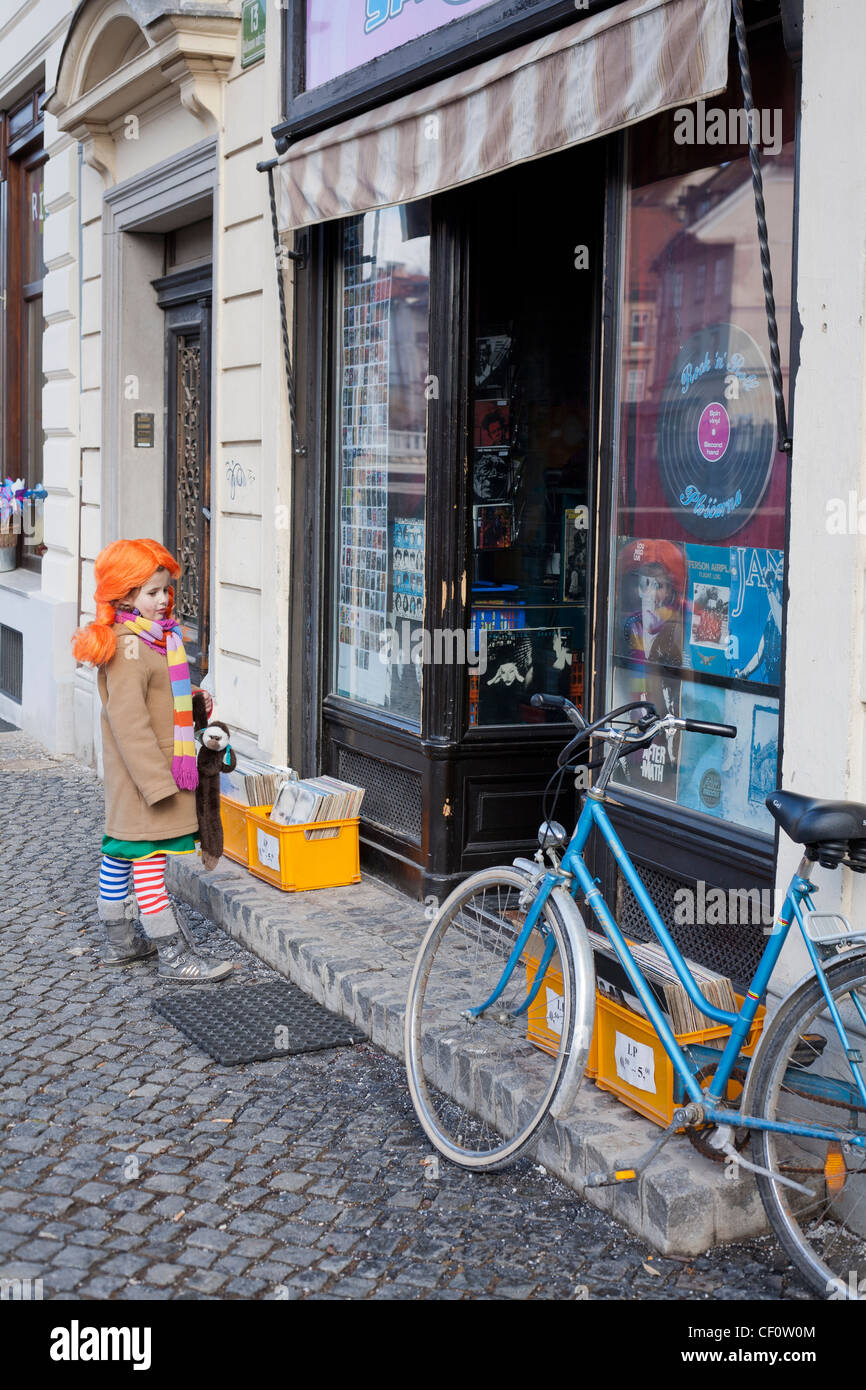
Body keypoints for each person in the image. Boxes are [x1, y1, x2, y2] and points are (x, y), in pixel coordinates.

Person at [71, 538, 233, 983]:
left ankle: (121, 941)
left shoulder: (154, 640)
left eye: (165, 590)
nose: (163, 600)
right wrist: (158, 786)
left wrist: (193, 703)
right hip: (148, 779)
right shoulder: (130, 647)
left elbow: (159, 702)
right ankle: (175, 957)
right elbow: (129, 724)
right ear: (124, 595)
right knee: (148, 862)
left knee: (119, 853)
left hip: (134, 780)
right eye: (151, 592)